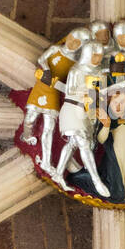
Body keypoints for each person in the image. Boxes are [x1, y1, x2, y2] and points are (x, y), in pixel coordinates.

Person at [21, 27, 88, 173]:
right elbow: (41, 59)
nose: (73, 43)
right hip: (41, 87)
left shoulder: (74, 64)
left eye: (77, 43)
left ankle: (46, 161)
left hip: (53, 93)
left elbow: (72, 81)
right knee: (30, 119)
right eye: (72, 39)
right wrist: (46, 70)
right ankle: (26, 135)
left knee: (49, 128)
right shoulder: (55, 49)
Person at [53, 40, 110, 196]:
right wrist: (89, 90)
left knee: (72, 144)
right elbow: (70, 91)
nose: (97, 59)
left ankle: (58, 173)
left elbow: (102, 96)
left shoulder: (100, 73)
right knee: (83, 144)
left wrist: (99, 95)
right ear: (87, 54)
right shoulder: (76, 70)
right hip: (72, 108)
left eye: (100, 56)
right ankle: (96, 181)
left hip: (86, 112)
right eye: (95, 56)